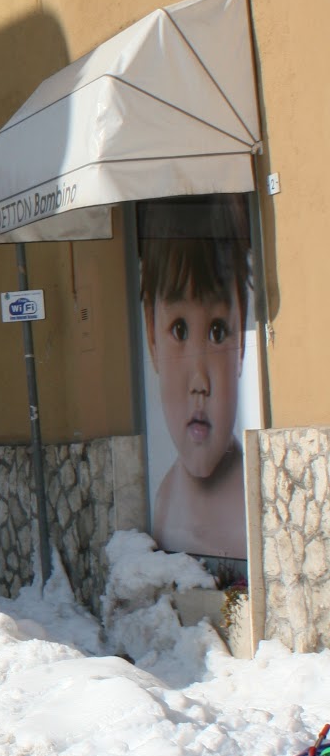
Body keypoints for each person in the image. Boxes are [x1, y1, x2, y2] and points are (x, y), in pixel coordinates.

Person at [139, 195, 250, 560]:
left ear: (243, 343)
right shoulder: (164, 500)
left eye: (218, 331)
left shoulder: (253, 498)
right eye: (180, 330)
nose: (199, 380)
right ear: (152, 337)